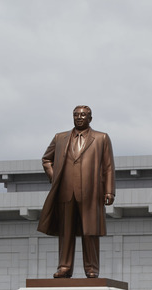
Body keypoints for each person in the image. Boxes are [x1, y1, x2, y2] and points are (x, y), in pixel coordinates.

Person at [37, 105, 115, 278]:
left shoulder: (101, 138)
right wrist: (54, 176)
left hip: (91, 193)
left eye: (83, 115)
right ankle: (64, 267)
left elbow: (108, 166)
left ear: (90, 118)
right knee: (66, 231)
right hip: (66, 191)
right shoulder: (60, 138)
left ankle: (92, 268)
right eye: (76, 115)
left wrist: (109, 191)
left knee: (90, 231)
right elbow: (46, 159)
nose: (79, 117)